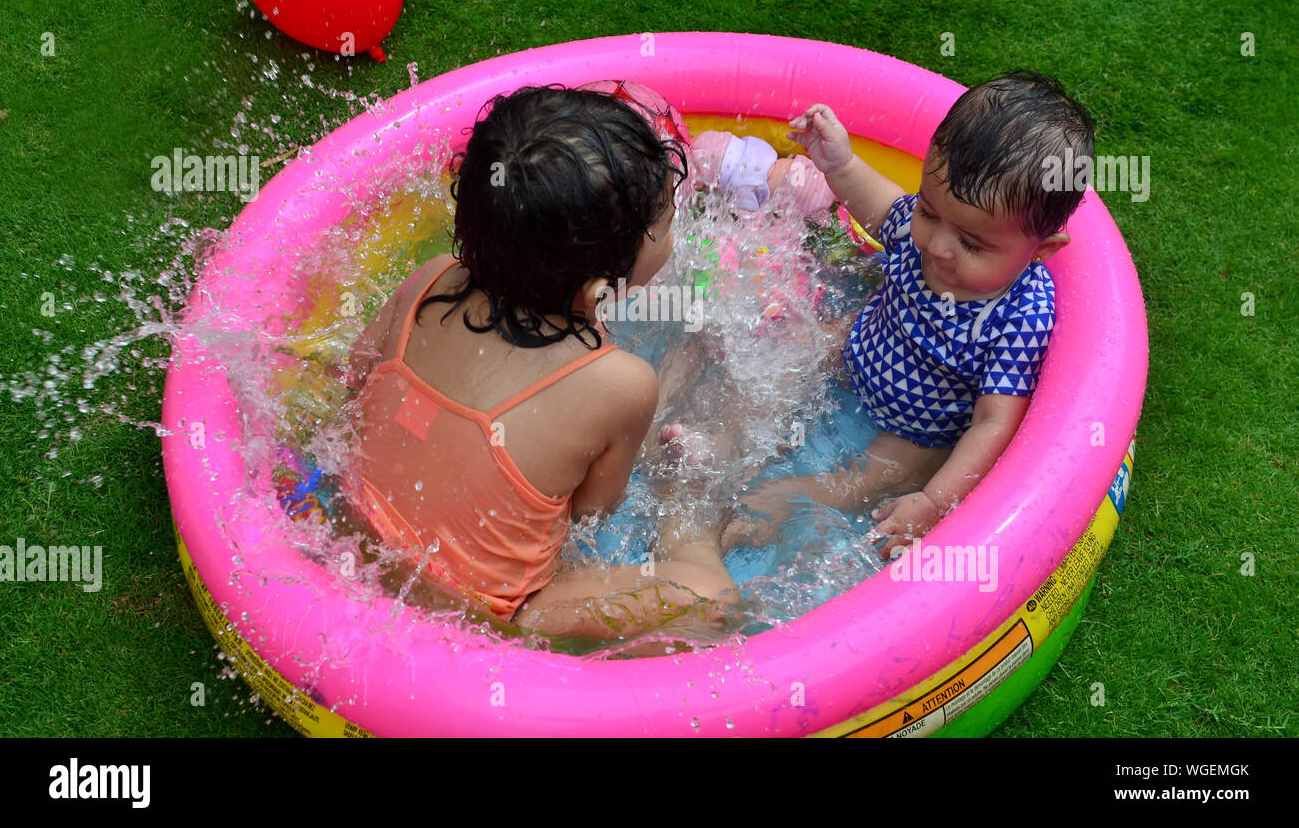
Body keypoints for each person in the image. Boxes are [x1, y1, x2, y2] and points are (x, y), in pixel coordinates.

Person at [341, 85, 738, 638]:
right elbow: (590, 517)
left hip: (353, 524)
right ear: (598, 289)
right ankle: (688, 518)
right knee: (707, 598)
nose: (672, 234)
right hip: (478, 609)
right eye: (665, 225)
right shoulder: (621, 383)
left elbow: (353, 386)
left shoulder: (427, 279)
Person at [733, 71, 1095, 560]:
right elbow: (880, 204)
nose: (937, 247)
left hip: (919, 431)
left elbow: (993, 424)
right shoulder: (926, 229)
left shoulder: (1021, 314)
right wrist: (839, 164)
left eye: (971, 243)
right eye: (928, 212)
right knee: (791, 359)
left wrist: (934, 501)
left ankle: (788, 501)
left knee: (876, 476)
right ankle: (726, 437)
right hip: (860, 348)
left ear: (1041, 250)